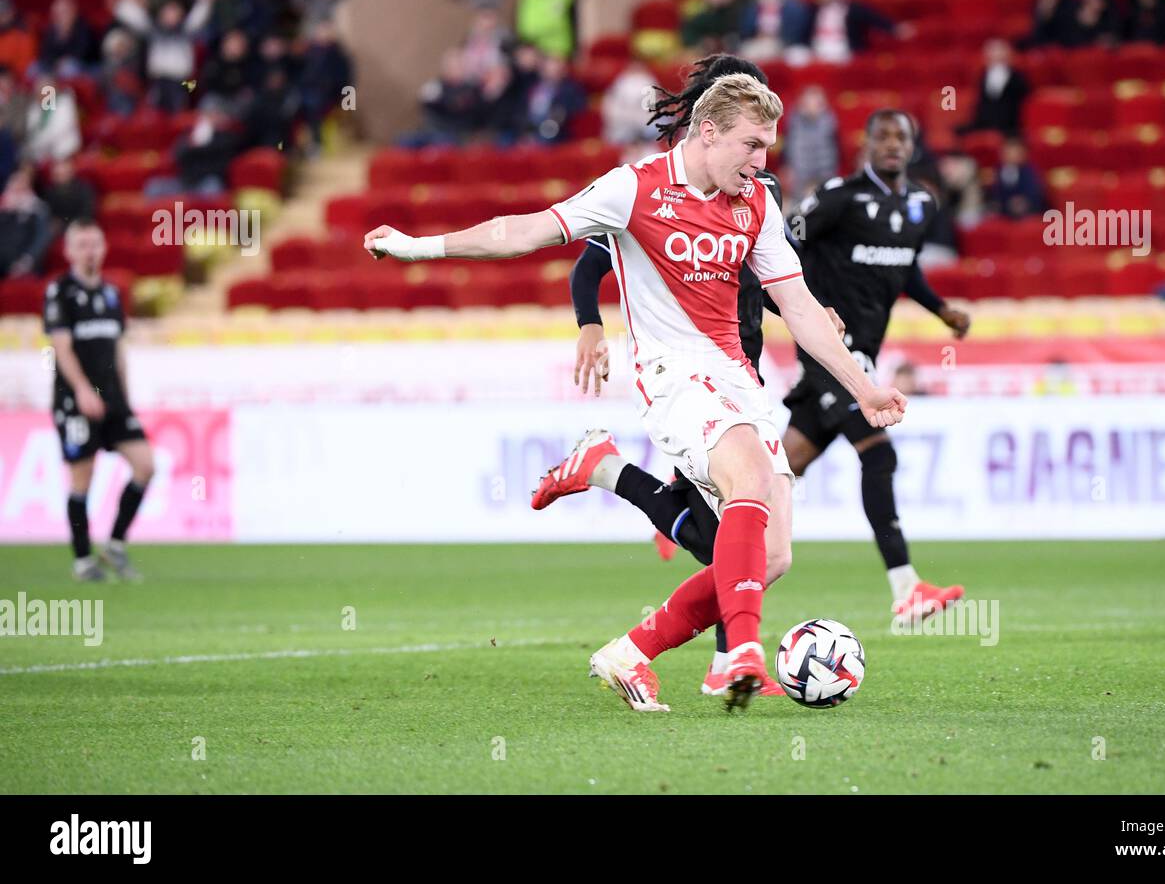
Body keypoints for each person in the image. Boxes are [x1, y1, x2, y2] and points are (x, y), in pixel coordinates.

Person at [362, 73, 907, 712]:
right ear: (709, 133)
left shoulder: (754, 203)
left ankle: (629, 654)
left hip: (737, 380)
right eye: (752, 145)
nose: (763, 163)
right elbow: (523, 232)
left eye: (768, 148)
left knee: (774, 557)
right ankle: (743, 652)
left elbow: (803, 309)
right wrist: (416, 247)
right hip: (672, 378)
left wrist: (864, 387)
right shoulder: (634, 188)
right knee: (751, 478)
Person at [535, 54, 841, 699]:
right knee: (732, 533)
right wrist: (590, 323)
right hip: (686, 371)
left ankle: (605, 471)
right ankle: (725, 659)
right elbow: (591, 260)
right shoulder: (649, 189)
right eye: (749, 133)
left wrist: (811, 312)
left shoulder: (760, 189)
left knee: (746, 538)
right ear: (711, 119)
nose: (758, 152)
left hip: (741, 363)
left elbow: (777, 276)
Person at [785, 110, 969, 620]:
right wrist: (805, 306)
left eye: (901, 137)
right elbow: (778, 245)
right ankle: (906, 588)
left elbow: (906, 266)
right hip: (828, 351)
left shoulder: (920, 204)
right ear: (864, 143)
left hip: (866, 354)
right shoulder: (837, 198)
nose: (892, 145)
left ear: (913, 146)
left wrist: (940, 309)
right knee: (880, 456)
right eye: (882, 136)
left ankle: (689, 503)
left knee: (783, 467)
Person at [43, 220, 154, 581]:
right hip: (75, 401)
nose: (89, 251)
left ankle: (116, 545)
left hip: (113, 399)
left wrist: (126, 394)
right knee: (82, 477)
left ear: (104, 248)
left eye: (94, 244)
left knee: (145, 465)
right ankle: (82, 560)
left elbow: (117, 349)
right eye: (82, 245)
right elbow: (62, 348)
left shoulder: (111, 294)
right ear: (69, 250)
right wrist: (81, 390)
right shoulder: (59, 292)